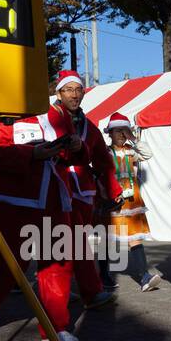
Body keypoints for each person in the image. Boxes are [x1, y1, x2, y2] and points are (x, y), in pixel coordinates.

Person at [0, 70, 115, 341]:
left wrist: (76, 147)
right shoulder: (3, 114)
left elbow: (82, 154)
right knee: (12, 263)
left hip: (54, 196)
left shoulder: (57, 115)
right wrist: (34, 154)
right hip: (14, 200)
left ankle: (55, 326)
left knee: (57, 263)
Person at [58, 73, 121, 312]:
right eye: (69, 90)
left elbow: (104, 162)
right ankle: (88, 291)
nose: (74, 94)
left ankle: (68, 290)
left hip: (83, 192)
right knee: (67, 242)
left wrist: (113, 190)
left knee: (71, 242)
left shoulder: (90, 128)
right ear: (59, 93)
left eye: (78, 90)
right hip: (57, 188)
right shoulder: (49, 120)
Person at [103, 113, 163, 292]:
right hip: (112, 200)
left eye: (124, 131)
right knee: (108, 239)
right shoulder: (105, 152)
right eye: (118, 131)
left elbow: (148, 153)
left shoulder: (131, 150)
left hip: (131, 201)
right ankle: (103, 278)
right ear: (110, 133)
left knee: (135, 238)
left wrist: (133, 139)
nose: (121, 134)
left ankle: (144, 276)